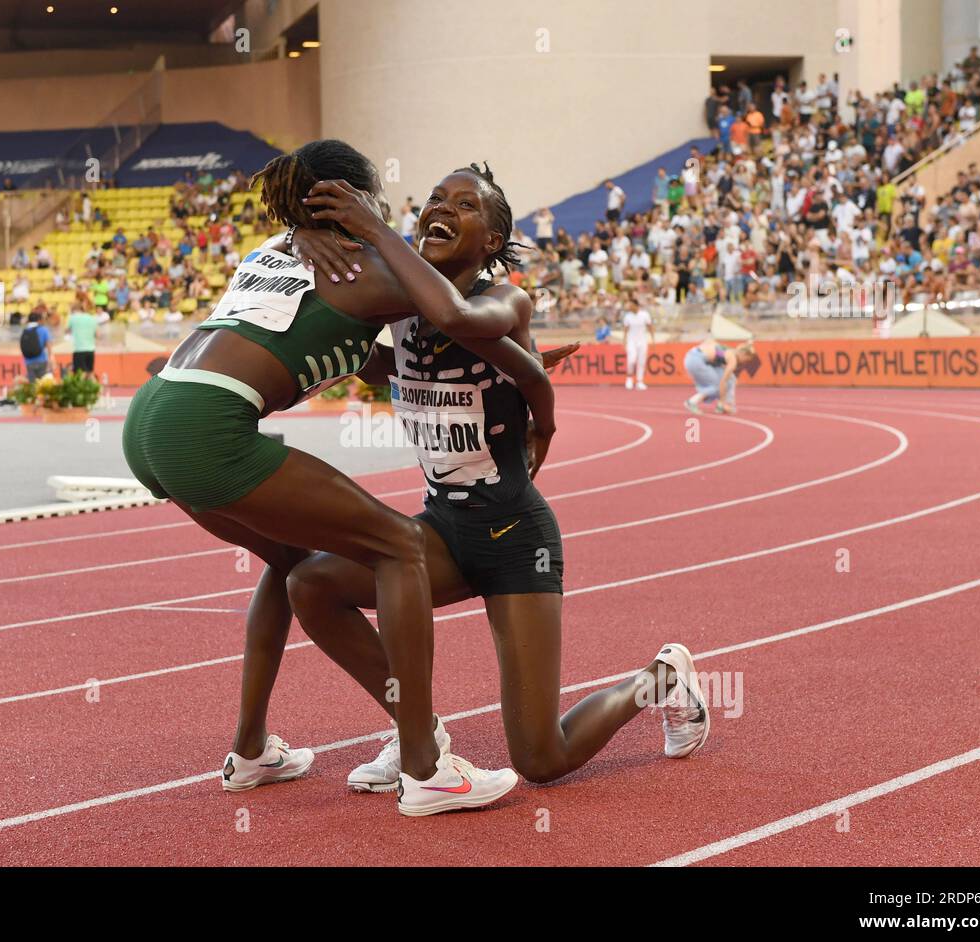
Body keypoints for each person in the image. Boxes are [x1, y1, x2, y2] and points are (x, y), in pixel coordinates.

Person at [121, 141, 555, 815]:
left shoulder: (280, 244)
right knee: (399, 547)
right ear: (348, 200)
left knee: (291, 559)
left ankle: (252, 749)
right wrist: (376, 232)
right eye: (377, 197)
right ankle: (425, 765)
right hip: (207, 427)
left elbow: (393, 358)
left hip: (152, 415)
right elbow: (449, 314)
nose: (391, 209)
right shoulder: (374, 264)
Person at [283, 168, 709, 793]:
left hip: (515, 541)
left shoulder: (506, 300)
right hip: (441, 531)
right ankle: (417, 734)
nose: (441, 208)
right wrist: (304, 242)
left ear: (491, 241)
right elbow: (373, 361)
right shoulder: (400, 302)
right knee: (311, 584)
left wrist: (546, 422)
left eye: (464, 205)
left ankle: (664, 678)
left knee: (541, 760)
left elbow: (458, 318)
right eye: (434, 199)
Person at [684, 338, 756, 414]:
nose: (745, 362)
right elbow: (723, 382)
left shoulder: (727, 350)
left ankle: (723, 405)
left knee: (731, 379)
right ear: (743, 354)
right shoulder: (733, 360)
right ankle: (691, 402)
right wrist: (722, 402)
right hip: (697, 360)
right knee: (717, 386)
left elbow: (709, 341)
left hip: (692, 356)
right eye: (747, 359)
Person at [622, 294, 654, 390]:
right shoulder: (627, 316)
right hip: (631, 341)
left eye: (631, 305)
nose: (629, 307)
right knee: (631, 360)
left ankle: (640, 381)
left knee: (641, 361)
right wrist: (624, 341)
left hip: (642, 341)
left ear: (636, 306)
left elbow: (650, 326)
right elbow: (625, 330)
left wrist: (653, 338)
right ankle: (629, 378)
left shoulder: (645, 315)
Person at [66, 298, 101, 376]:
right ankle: (98, 388)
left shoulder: (72, 318)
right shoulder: (92, 318)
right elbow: (98, 334)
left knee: (80, 374)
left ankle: (80, 388)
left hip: (79, 349)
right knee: (90, 373)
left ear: (73, 309)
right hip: (90, 349)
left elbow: (66, 331)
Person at [20, 312, 52, 380]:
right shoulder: (43, 330)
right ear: (39, 320)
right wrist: (50, 359)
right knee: (42, 384)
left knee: (32, 385)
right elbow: (48, 345)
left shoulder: (25, 331)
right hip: (41, 360)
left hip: (28, 361)